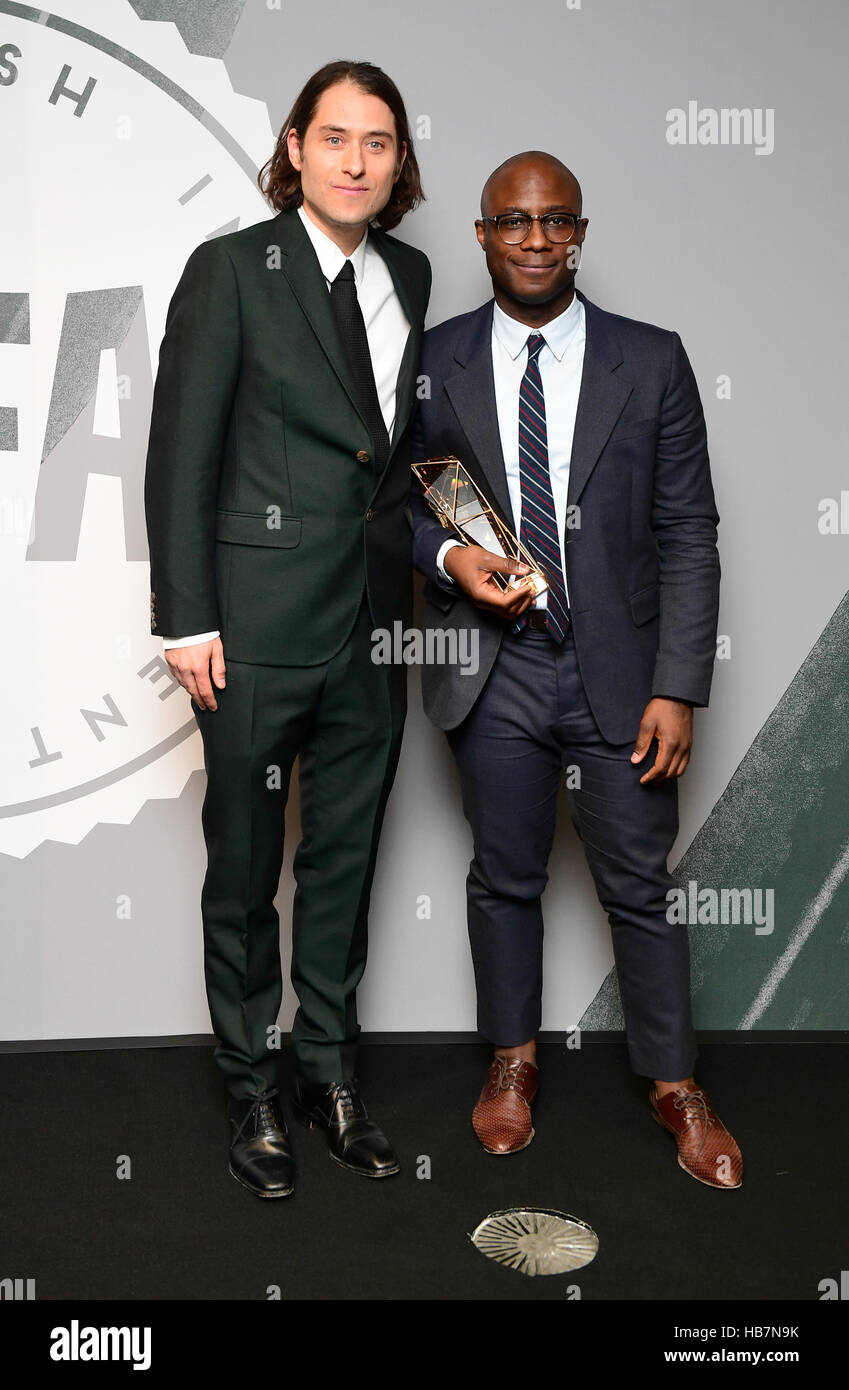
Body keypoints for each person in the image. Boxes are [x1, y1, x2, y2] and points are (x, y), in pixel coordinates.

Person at [410, 150, 742, 1190]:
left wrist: (679, 683)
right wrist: (452, 559)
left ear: (581, 231)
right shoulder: (437, 361)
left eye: (557, 221)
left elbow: (689, 529)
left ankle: (675, 1083)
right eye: (515, 222)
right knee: (503, 877)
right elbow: (400, 508)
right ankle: (512, 1061)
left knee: (639, 886)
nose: (538, 240)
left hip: (620, 673)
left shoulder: (651, 360)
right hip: (493, 667)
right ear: (482, 236)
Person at [144, 60, 430, 1198]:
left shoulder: (409, 272)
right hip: (253, 628)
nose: (358, 161)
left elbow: (397, 456)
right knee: (246, 868)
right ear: (297, 149)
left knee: (345, 863)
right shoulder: (232, 271)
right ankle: (251, 1084)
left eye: (381, 142)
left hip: (375, 624)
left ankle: (329, 1072)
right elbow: (181, 454)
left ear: (399, 162)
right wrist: (187, 617)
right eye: (338, 138)